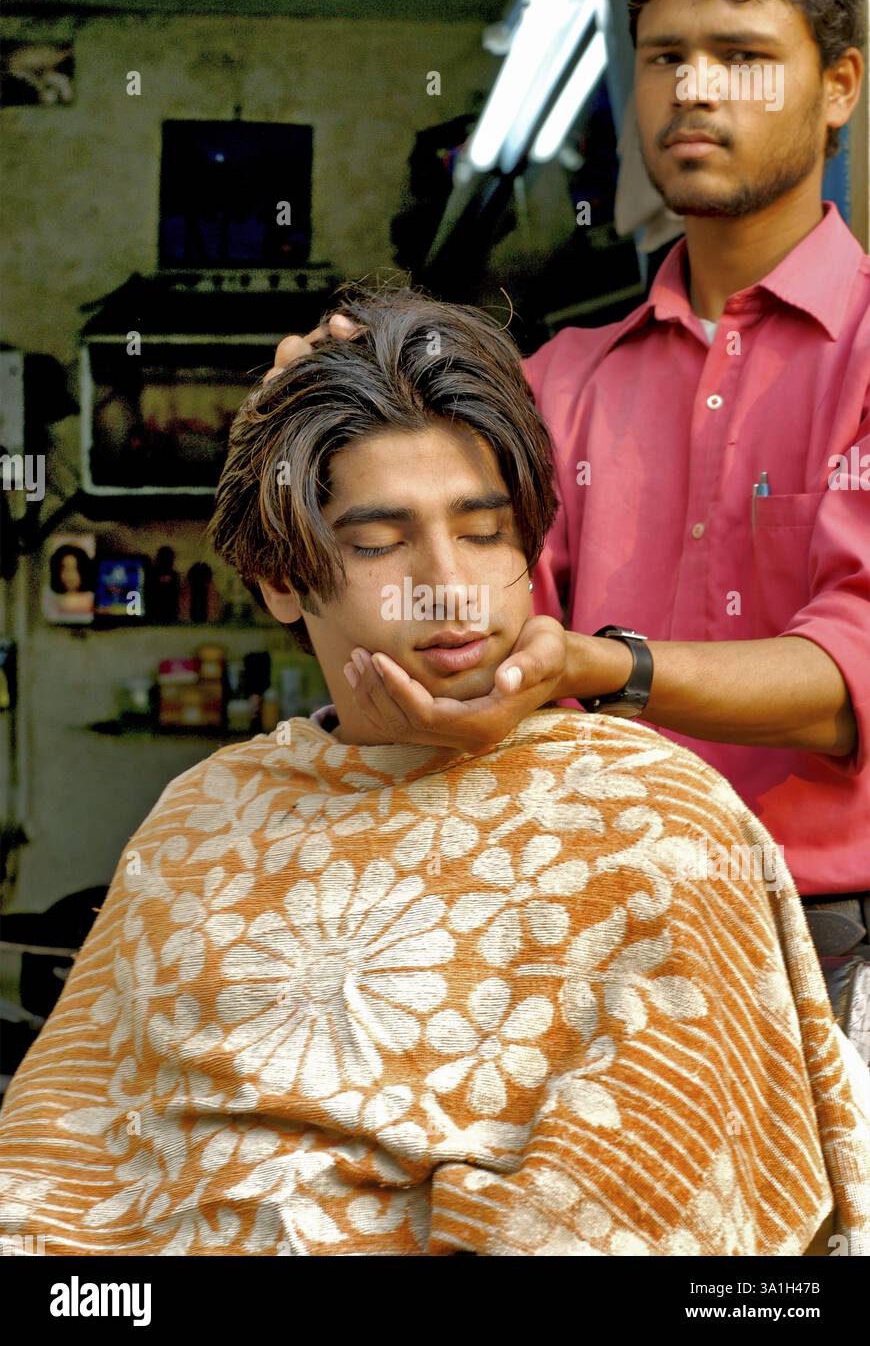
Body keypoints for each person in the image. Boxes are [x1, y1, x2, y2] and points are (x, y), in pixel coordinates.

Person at [1, 285, 867, 1257]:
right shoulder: (201, 820)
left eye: (485, 530)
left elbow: (638, 1215)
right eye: (379, 540)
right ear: (283, 577)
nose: (448, 584)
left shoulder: (654, 831)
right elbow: (53, 1181)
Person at [267, 0, 870, 918]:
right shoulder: (557, 381)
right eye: (665, 56)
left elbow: (853, 684)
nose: (695, 89)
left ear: (839, 86)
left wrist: (604, 666)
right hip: (588, 914)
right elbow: (466, 637)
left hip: (825, 926)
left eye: (741, 57)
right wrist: (318, 438)